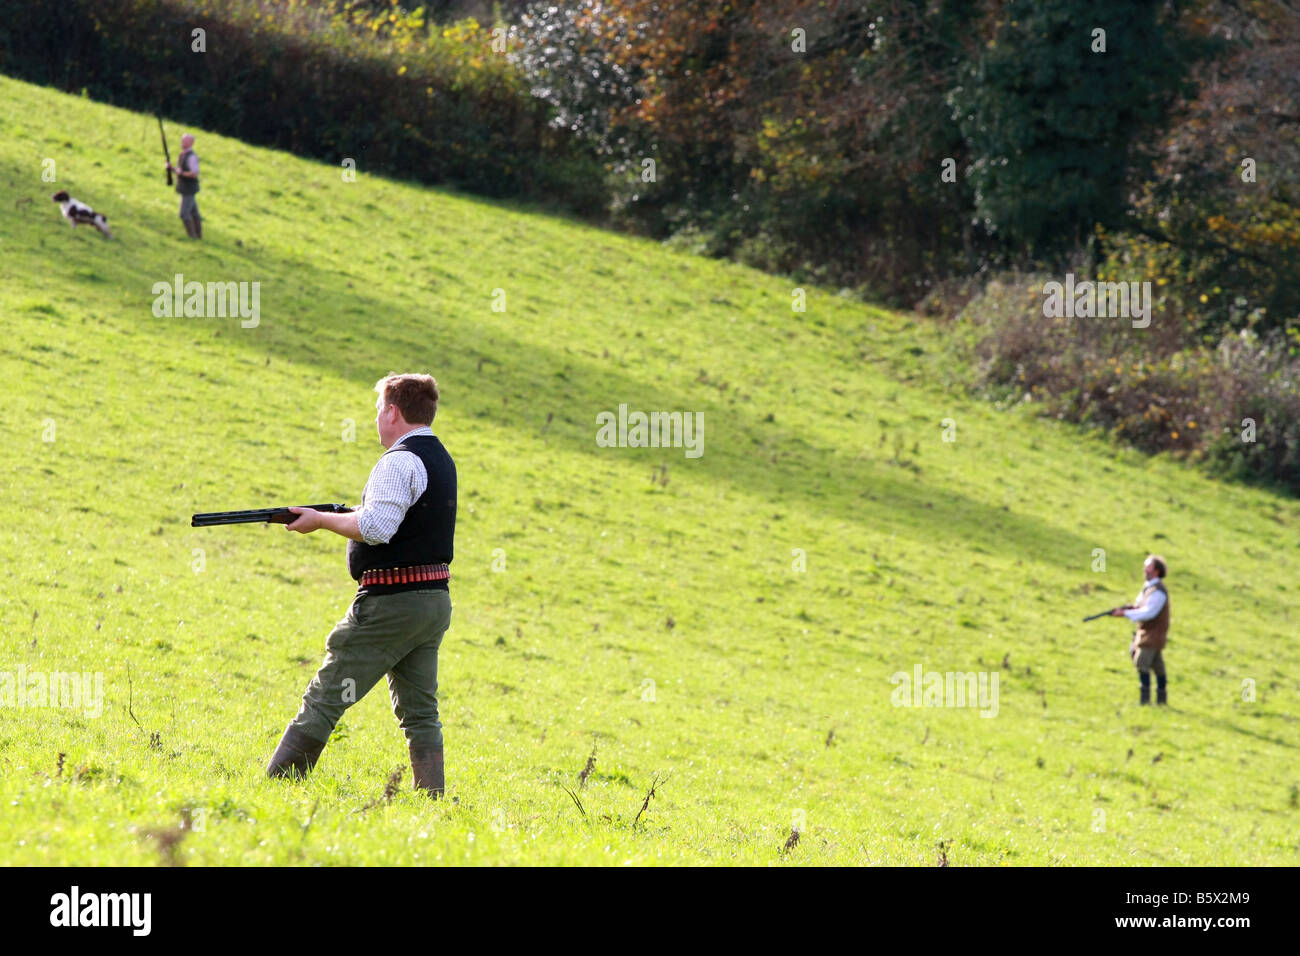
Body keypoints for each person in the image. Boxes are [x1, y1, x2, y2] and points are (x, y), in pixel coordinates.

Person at [265, 373, 457, 796]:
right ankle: (432, 799)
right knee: (421, 712)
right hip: (432, 603)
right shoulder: (440, 457)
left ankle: (277, 785)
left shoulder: (399, 460)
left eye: (377, 410)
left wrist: (319, 520)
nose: (375, 419)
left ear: (392, 411)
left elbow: (376, 527)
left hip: (391, 602)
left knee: (327, 692)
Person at [1111, 555, 1170, 705]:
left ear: (1156, 571)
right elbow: (1141, 606)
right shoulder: (1149, 587)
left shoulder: (1158, 591)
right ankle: (1161, 701)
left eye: (1148, 567)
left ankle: (1145, 701)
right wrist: (1130, 609)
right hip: (1147, 633)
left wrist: (1125, 613)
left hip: (1152, 635)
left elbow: (1149, 612)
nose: (1145, 569)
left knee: (1141, 663)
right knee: (1158, 668)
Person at [166, 133, 202, 239]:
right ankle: (198, 235)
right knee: (194, 213)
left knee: (184, 214)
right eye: (182, 140)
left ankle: (192, 237)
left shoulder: (192, 157)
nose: (182, 142)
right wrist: (171, 168)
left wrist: (181, 173)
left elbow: (194, 173)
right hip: (185, 188)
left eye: (185, 141)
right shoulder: (183, 155)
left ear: (191, 143)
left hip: (189, 189)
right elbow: (179, 170)